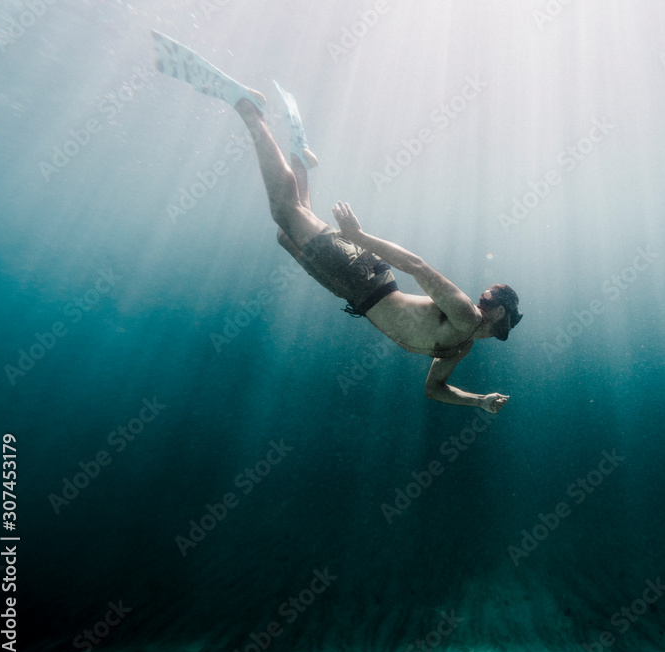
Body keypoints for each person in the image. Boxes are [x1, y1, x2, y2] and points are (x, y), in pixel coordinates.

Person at [152, 32, 521, 413]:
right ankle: (246, 105)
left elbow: (434, 389)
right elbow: (415, 266)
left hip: (356, 292)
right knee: (285, 212)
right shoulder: (464, 314)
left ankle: (299, 154)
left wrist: (480, 401)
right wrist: (359, 236)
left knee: (286, 233)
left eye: (489, 298)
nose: (482, 298)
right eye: (485, 296)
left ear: (502, 318)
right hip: (363, 278)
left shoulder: (461, 346)